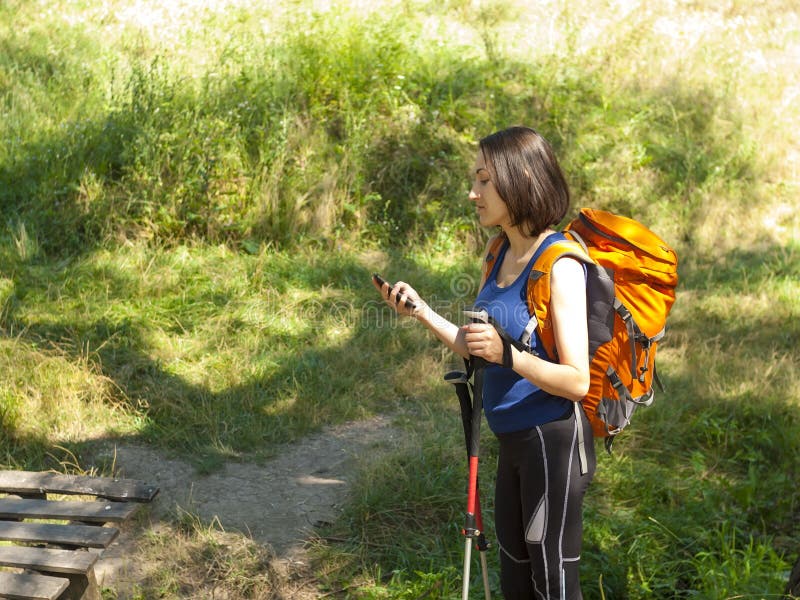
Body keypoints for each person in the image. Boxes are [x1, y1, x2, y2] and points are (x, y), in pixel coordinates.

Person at [372, 126, 596, 599]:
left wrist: (508, 355)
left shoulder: (560, 264)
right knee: (516, 576)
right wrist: (422, 311)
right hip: (511, 441)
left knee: (553, 583)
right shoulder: (497, 254)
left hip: (551, 443)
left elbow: (577, 382)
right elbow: (479, 347)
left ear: (518, 181)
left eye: (484, 181)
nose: (472, 192)